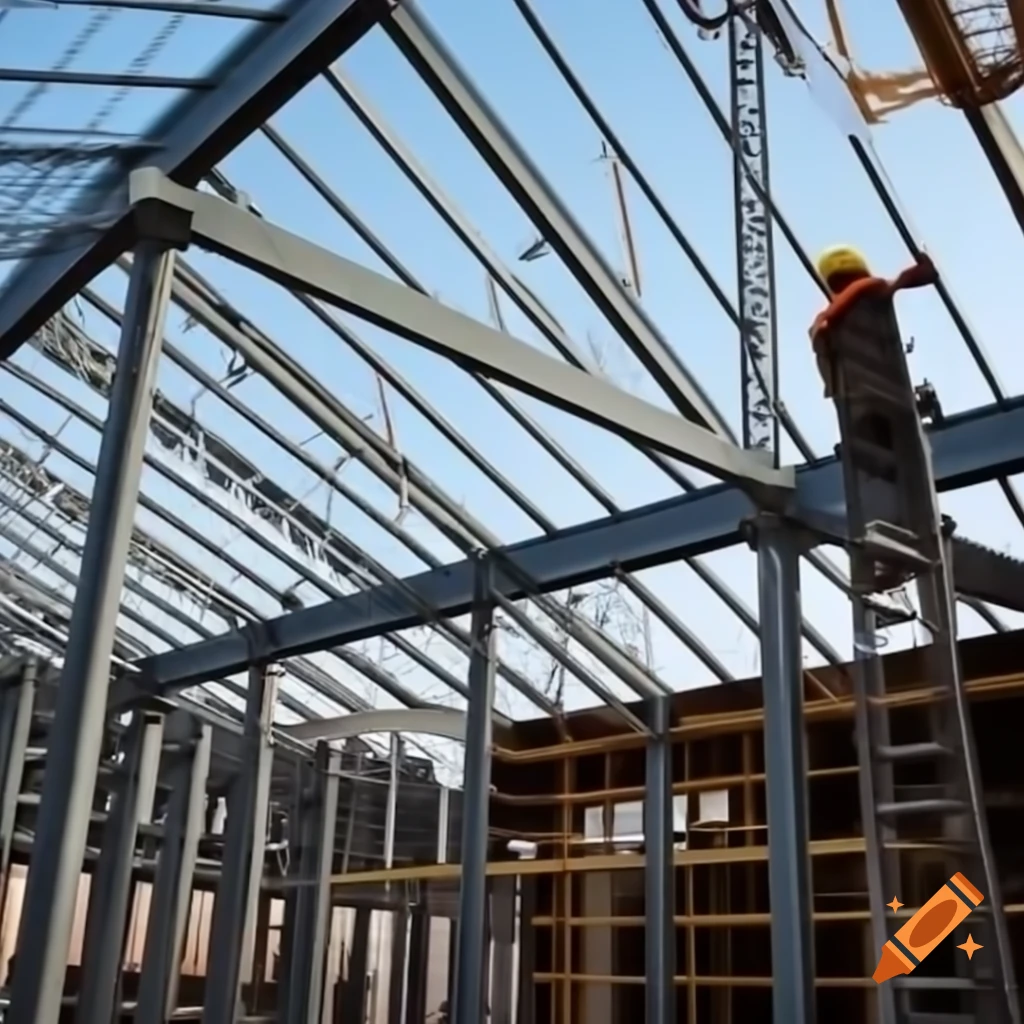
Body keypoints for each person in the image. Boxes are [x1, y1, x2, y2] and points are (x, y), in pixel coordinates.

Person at [809, 245, 937, 398]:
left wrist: (826, 318)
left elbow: (875, 285)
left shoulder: (867, 296)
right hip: (874, 396)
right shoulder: (873, 291)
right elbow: (903, 279)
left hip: (860, 400)